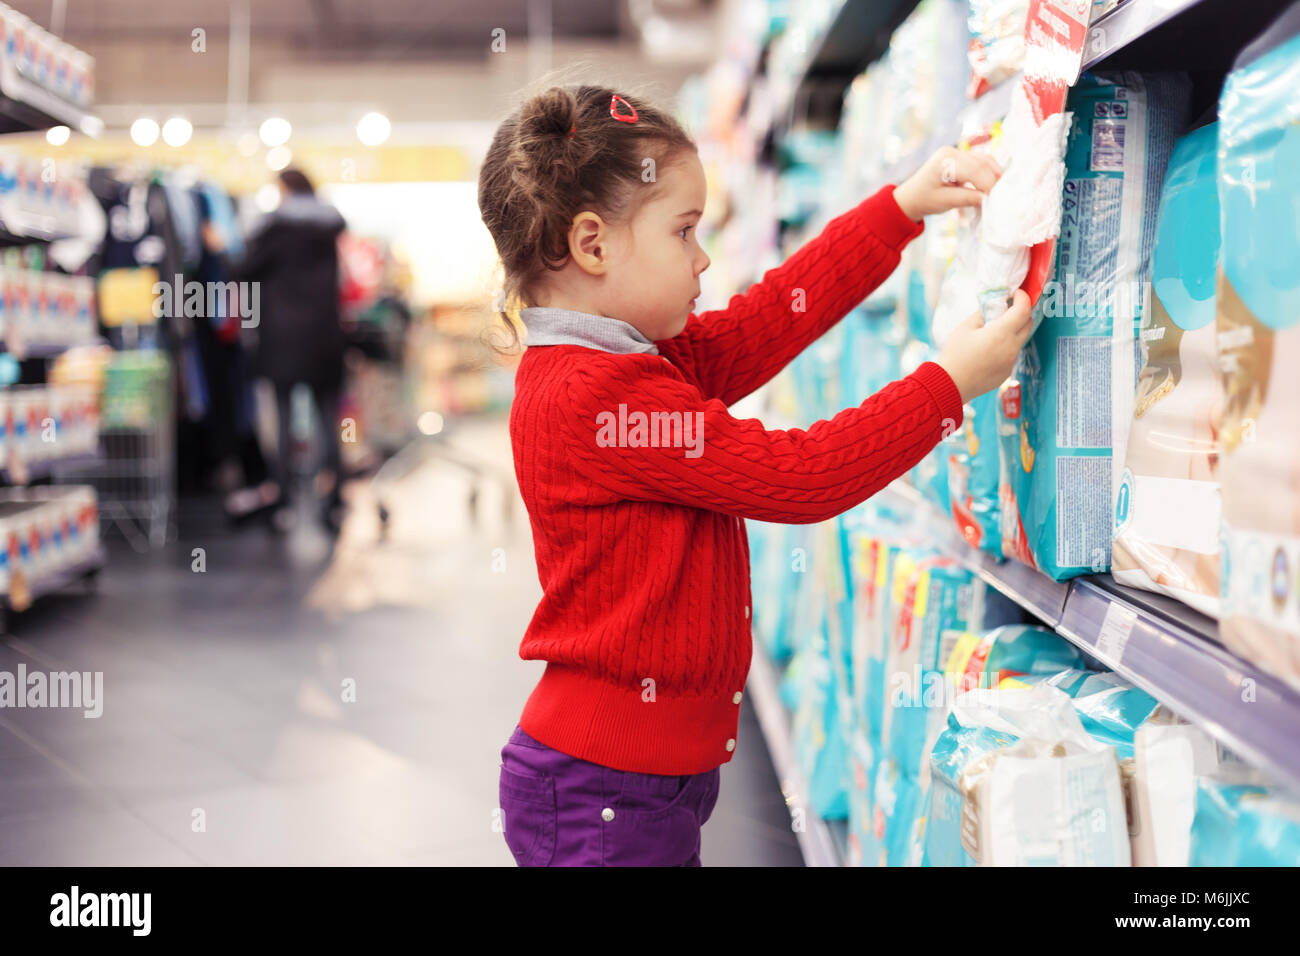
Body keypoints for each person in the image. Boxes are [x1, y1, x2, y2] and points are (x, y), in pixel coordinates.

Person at [479, 85, 1032, 867]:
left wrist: (900, 210)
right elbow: (802, 477)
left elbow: (768, 320)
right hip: (602, 792)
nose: (703, 258)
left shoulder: (631, 360)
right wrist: (947, 387)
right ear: (593, 245)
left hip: (630, 781)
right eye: (684, 232)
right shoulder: (593, 397)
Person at [203, 168, 348, 533]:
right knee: (328, 420)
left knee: (282, 422)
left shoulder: (274, 230)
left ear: (284, 190)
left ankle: (283, 502)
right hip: (325, 338)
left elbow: (243, 271)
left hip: (282, 338)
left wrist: (221, 248)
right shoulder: (329, 228)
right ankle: (334, 500)